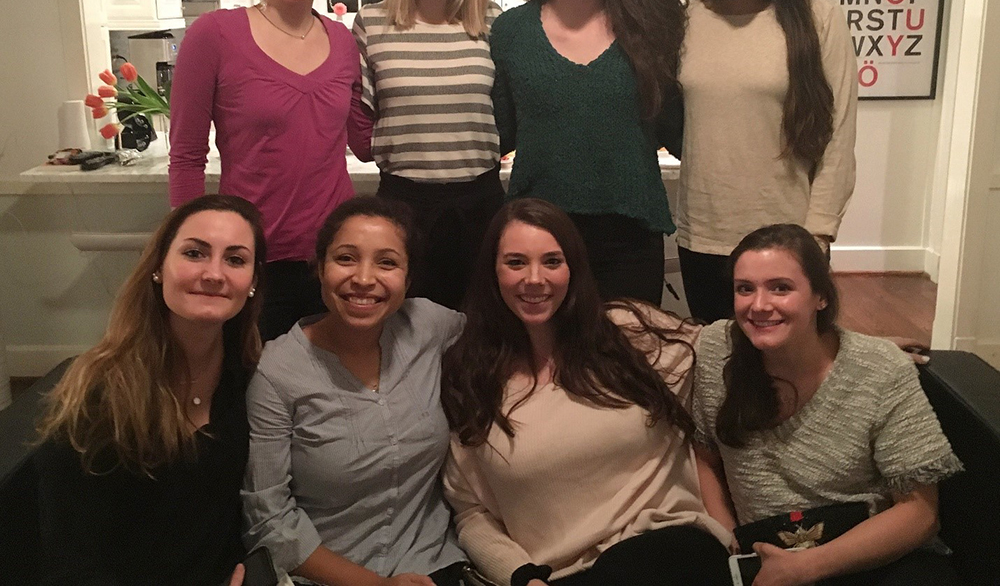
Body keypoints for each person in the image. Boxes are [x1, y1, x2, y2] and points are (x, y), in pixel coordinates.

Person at [441, 198, 732, 586]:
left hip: (669, 548)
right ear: (492, 272)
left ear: (573, 269)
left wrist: (728, 525)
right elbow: (470, 511)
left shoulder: (628, 331)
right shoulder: (473, 376)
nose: (534, 278)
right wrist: (521, 577)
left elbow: (736, 347)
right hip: (560, 575)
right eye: (515, 262)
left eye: (552, 261)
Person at [693, 223, 963, 586]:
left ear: (820, 296)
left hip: (870, 553)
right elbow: (704, 456)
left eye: (780, 288)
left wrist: (805, 567)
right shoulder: (715, 351)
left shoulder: (880, 370)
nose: (759, 305)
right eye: (745, 289)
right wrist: (730, 543)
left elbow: (920, 513)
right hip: (763, 555)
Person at [169, 0, 372, 341]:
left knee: (328, 391)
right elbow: (185, 158)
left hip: (333, 259)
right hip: (249, 258)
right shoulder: (215, 35)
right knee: (250, 390)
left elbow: (364, 140)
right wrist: (191, 254)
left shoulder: (343, 43)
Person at [35, 194, 266, 586]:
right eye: (195, 253)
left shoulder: (254, 383)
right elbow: (71, 561)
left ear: (253, 283)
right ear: (158, 268)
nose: (214, 273)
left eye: (235, 259)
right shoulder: (99, 396)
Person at [242, 196, 468, 586]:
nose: (364, 279)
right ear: (320, 268)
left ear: (408, 279)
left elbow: (504, 335)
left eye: (387, 262)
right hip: (326, 575)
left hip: (436, 564)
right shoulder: (277, 371)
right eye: (346, 258)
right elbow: (269, 520)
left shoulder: (429, 325)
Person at [490, 0, 686, 305]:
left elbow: (681, 131)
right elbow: (496, 135)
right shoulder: (511, 32)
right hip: (538, 245)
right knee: (546, 369)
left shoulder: (655, 30)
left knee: (625, 364)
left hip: (630, 244)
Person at [676, 0, 858, 323]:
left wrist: (816, 235)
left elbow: (839, 139)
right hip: (702, 236)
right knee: (718, 368)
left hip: (788, 240)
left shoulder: (819, 20)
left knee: (787, 376)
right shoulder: (686, 21)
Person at [352, 0, 503, 311]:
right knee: (403, 336)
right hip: (402, 207)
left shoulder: (497, 25)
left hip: (480, 207)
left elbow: (507, 118)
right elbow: (362, 123)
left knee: (481, 337)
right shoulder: (372, 24)